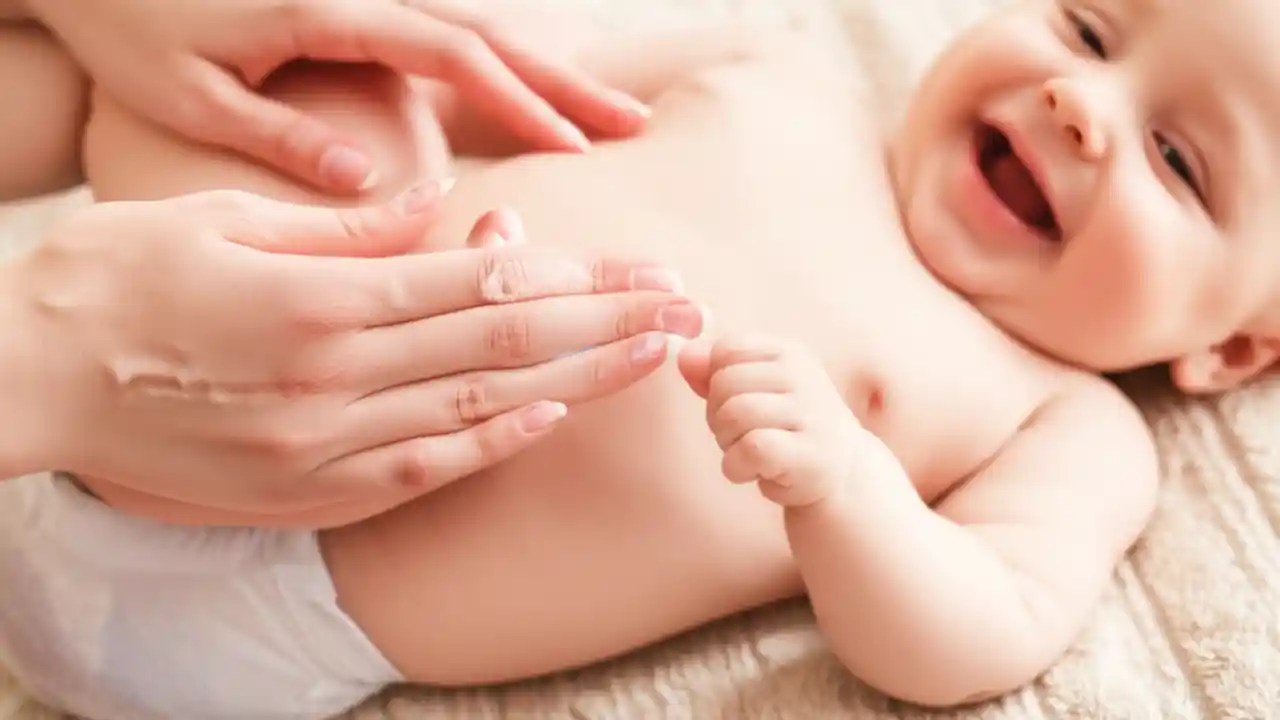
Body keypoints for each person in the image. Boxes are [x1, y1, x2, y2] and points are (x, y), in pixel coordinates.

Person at [9, 0, 1274, 716]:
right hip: (146, 346)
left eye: (1177, 161)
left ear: (1229, 347)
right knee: (286, 67)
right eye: (1085, 29)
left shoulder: (1061, 419)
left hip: (255, 593)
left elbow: (980, 632)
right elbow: (479, 76)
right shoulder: (772, 74)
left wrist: (845, 488)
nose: (1079, 104)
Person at [0, 0, 696, 515]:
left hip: (207, 489)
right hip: (181, 483)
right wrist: (54, 359)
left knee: (280, 52)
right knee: (305, 73)